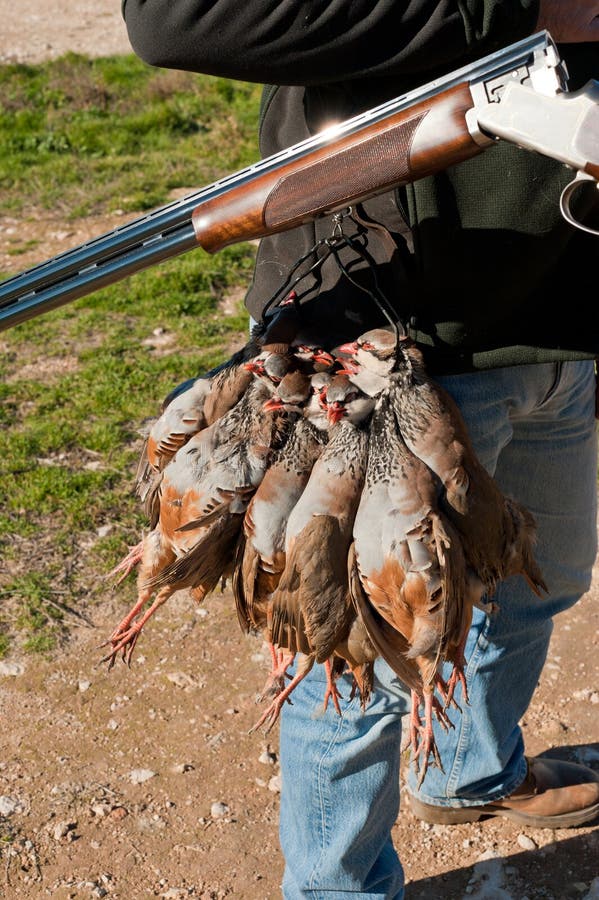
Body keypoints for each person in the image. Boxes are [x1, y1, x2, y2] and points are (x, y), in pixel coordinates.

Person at [121, 2, 599, 896]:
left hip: (562, 308)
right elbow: (177, 20)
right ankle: (339, 887)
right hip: (382, 334)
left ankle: (466, 772)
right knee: (355, 663)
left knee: (543, 580)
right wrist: (521, 11)